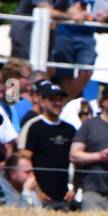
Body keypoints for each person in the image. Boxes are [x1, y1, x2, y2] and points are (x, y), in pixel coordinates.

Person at [17, 79, 76, 208]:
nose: (57, 103)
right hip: (38, 194)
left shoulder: (70, 129)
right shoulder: (34, 126)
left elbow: (75, 162)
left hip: (63, 195)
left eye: (60, 99)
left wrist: (73, 188)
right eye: (53, 99)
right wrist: (37, 191)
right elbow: (25, 161)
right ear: (42, 102)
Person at [9, 0, 73, 66]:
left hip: (43, 36)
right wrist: (71, 16)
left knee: (42, 68)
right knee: (20, 68)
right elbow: (47, 11)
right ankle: (13, 79)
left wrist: (82, 14)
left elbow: (71, 8)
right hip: (24, 33)